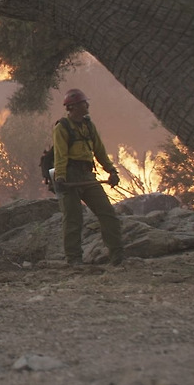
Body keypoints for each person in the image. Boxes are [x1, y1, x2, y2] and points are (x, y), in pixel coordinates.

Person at [53, 89, 124, 266]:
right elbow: (60, 156)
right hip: (69, 177)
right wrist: (60, 178)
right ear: (74, 107)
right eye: (84, 103)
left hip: (87, 175)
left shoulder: (88, 126)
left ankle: (117, 257)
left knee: (108, 213)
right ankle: (74, 260)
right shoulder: (62, 128)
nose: (88, 105)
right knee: (73, 219)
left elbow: (99, 151)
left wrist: (111, 170)